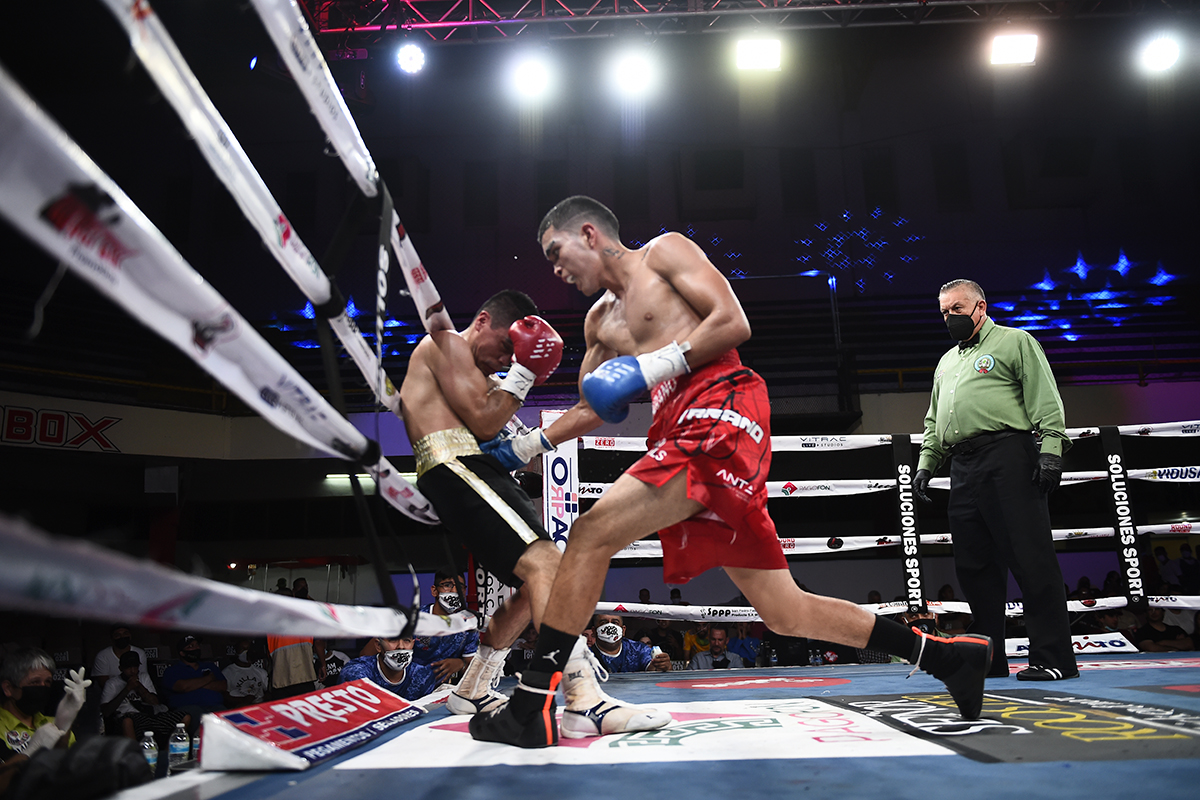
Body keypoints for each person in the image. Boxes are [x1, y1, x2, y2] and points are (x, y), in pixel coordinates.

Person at [470, 196, 992, 749]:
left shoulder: (663, 254)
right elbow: (592, 403)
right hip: (678, 429)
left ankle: (532, 704)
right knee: (785, 612)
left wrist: (653, 364)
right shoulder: (599, 322)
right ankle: (946, 657)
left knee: (591, 533)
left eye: (556, 250)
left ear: (590, 233)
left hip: (722, 407)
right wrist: (526, 443)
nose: (554, 267)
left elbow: (732, 321)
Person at [399, 289, 666, 739]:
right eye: (505, 347)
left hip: (476, 469)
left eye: (514, 355)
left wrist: (598, 396)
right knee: (550, 567)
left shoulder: (478, 378)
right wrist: (523, 372)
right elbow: (485, 423)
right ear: (481, 321)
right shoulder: (442, 344)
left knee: (535, 586)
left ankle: (473, 687)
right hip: (455, 468)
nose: (505, 359)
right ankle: (584, 699)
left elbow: (501, 442)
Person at [913, 279, 1077, 683]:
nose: (949, 317)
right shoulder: (946, 361)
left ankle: (1053, 657)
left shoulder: (1014, 342)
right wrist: (926, 463)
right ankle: (991, 658)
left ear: (980, 307)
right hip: (963, 467)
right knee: (975, 566)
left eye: (956, 308)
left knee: (1030, 557)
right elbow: (935, 420)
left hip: (1008, 456)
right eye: (944, 311)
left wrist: (1051, 451)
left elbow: (1045, 398)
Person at [0, 647, 87, 767]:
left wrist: (63, 726)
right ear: (8, 688)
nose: (42, 688)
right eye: (34, 682)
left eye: (47, 682)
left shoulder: (52, 723)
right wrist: (31, 752)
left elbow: (71, 769)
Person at [99, 650, 190, 740]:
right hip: (128, 716)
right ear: (121, 668)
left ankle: (168, 752)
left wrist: (139, 686)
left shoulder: (144, 677)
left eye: (135, 667)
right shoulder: (112, 683)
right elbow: (106, 712)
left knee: (185, 717)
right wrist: (127, 689)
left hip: (149, 715)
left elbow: (155, 703)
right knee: (127, 721)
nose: (133, 671)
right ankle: (134, 754)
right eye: (128, 668)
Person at [413, 570, 479, 684]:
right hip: (409, 690)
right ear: (434, 591)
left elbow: (472, 668)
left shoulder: (468, 623)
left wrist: (460, 664)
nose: (454, 591)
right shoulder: (415, 619)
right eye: (447, 585)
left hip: (446, 692)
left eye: (459, 586)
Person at [338, 636, 438, 701]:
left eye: (406, 640)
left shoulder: (422, 675)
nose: (401, 647)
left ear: (413, 644)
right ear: (378, 645)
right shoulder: (356, 674)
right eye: (393, 640)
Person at [162, 635, 227, 719]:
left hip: (215, 706)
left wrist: (193, 685)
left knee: (226, 720)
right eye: (190, 646)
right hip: (188, 709)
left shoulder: (210, 666)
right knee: (197, 716)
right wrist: (209, 678)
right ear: (182, 653)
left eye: (197, 645)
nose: (196, 648)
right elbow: (183, 687)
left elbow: (223, 686)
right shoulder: (172, 670)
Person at [590, 614, 671, 673]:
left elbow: (652, 667)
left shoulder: (638, 649)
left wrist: (661, 664)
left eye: (615, 623)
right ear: (594, 631)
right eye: (604, 623)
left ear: (623, 630)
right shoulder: (585, 656)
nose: (610, 626)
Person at [91, 625, 151, 693]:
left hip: (136, 692)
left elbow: (143, 678)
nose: (122, 637)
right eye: (118, 635)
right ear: (112, 638)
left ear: (130, 636)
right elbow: (104, 685)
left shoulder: (140, 653)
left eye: (125, 633)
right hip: (112, 694)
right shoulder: (102, 656)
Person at [223, 640, 269, 706]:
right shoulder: (228, 672)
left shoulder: (261, 672)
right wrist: (243, 700)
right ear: (236, 650)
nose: (246, 652)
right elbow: (225, 696)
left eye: (248, 649)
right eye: (243, 649)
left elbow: (267, 692)